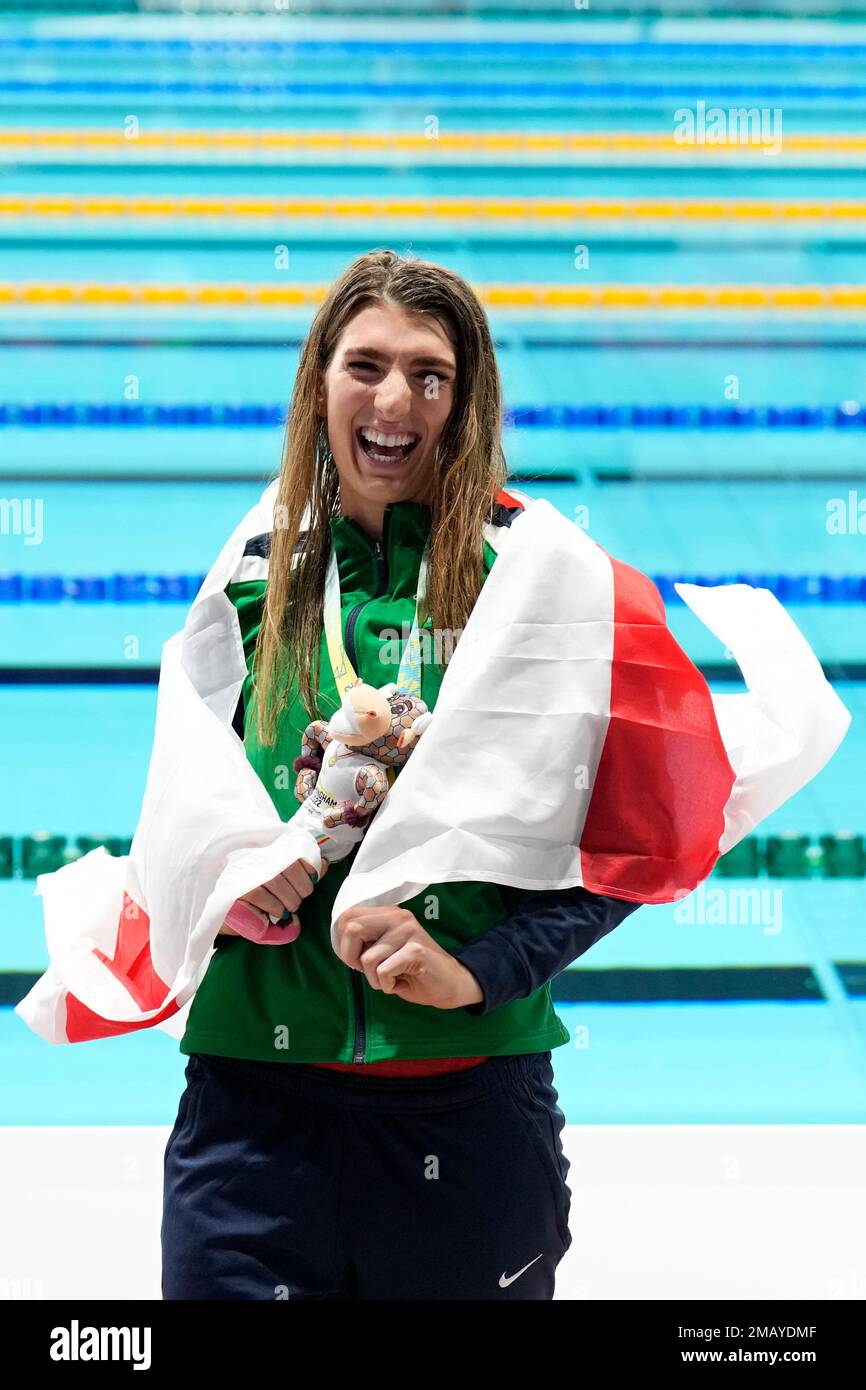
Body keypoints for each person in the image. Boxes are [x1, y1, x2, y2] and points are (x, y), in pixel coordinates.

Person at [160, 249, 640, 1301]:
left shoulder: (539, 579)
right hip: (253, 1114)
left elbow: (625, 847)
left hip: (466, 1116)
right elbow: (177, 821)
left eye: (428, 374)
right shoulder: (253, 572)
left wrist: (480, 970)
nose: (393, 400)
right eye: (363, 365)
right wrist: (222, 889)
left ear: (464, 400)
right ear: (317, 383)